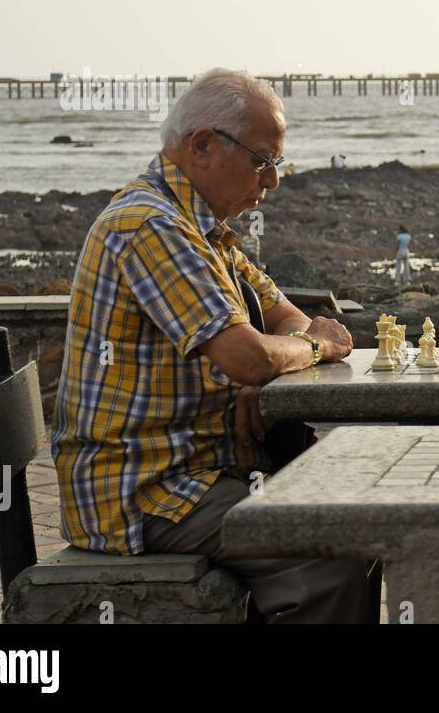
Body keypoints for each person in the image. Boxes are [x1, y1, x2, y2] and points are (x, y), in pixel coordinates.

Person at [52, 68, 373, 623]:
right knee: (333, 558)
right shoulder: (149, 226)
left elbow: (283, 319)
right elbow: (249, 356)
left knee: (355, 511)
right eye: (264, 161)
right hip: (146, 487)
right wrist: (303, 352)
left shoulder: (207, 231)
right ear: (203, 145)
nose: (272, 181)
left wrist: (277, 368)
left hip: (199, 471)